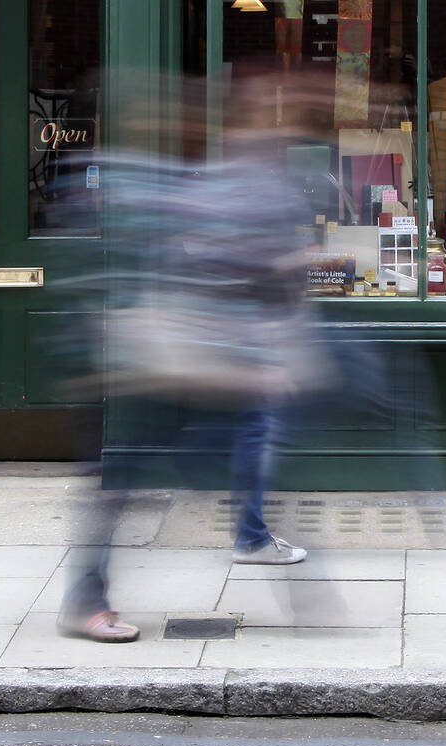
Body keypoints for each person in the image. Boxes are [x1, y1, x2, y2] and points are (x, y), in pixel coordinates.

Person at [59, 77, 328, 643]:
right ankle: (87, 599)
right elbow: (115, 279)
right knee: (121, 481)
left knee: (231, 440)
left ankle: (273, 555)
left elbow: (208, 274)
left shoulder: (178, 186)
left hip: (173, 364)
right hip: (129, 364)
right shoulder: (119, 182)